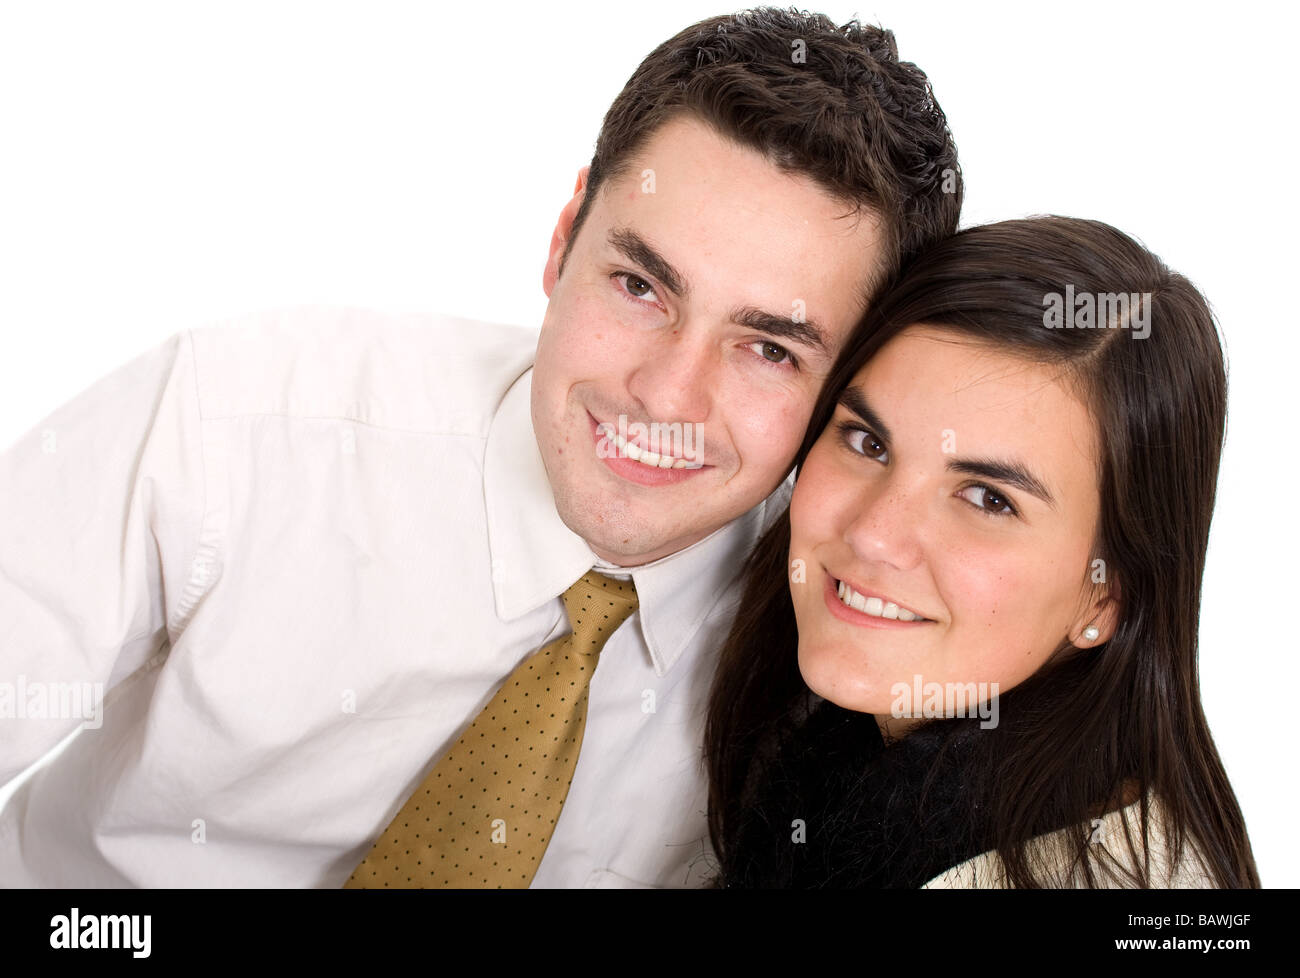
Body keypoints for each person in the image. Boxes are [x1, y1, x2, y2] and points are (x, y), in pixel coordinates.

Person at [0, 9, 960, 887]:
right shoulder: (240, 425)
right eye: (639, 287)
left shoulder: (845, 633)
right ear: (561, 241)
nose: (668, 395)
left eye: (767, 349)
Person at [704, 216, 1261, 888]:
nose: (874, 533)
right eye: (867, 443)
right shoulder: (819, 758)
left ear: (1106, 594)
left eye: (989, 499)